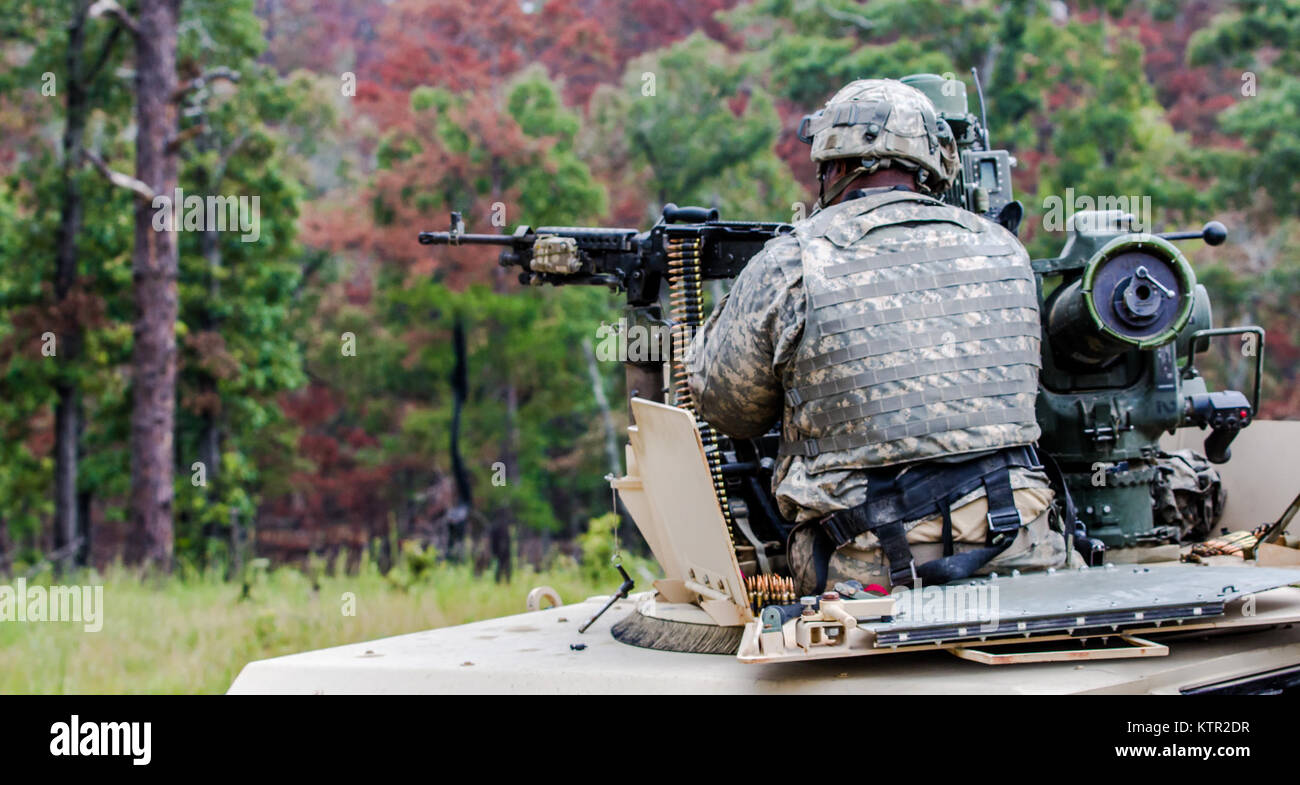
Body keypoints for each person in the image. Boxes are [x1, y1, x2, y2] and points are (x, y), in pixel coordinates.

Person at [687, 78, 1082, 594]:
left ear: (833, 166)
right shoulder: (1006, 250)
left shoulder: (793, 261)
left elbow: (727, 409)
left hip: (871, 574)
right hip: (1024, 552)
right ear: (930, 163)